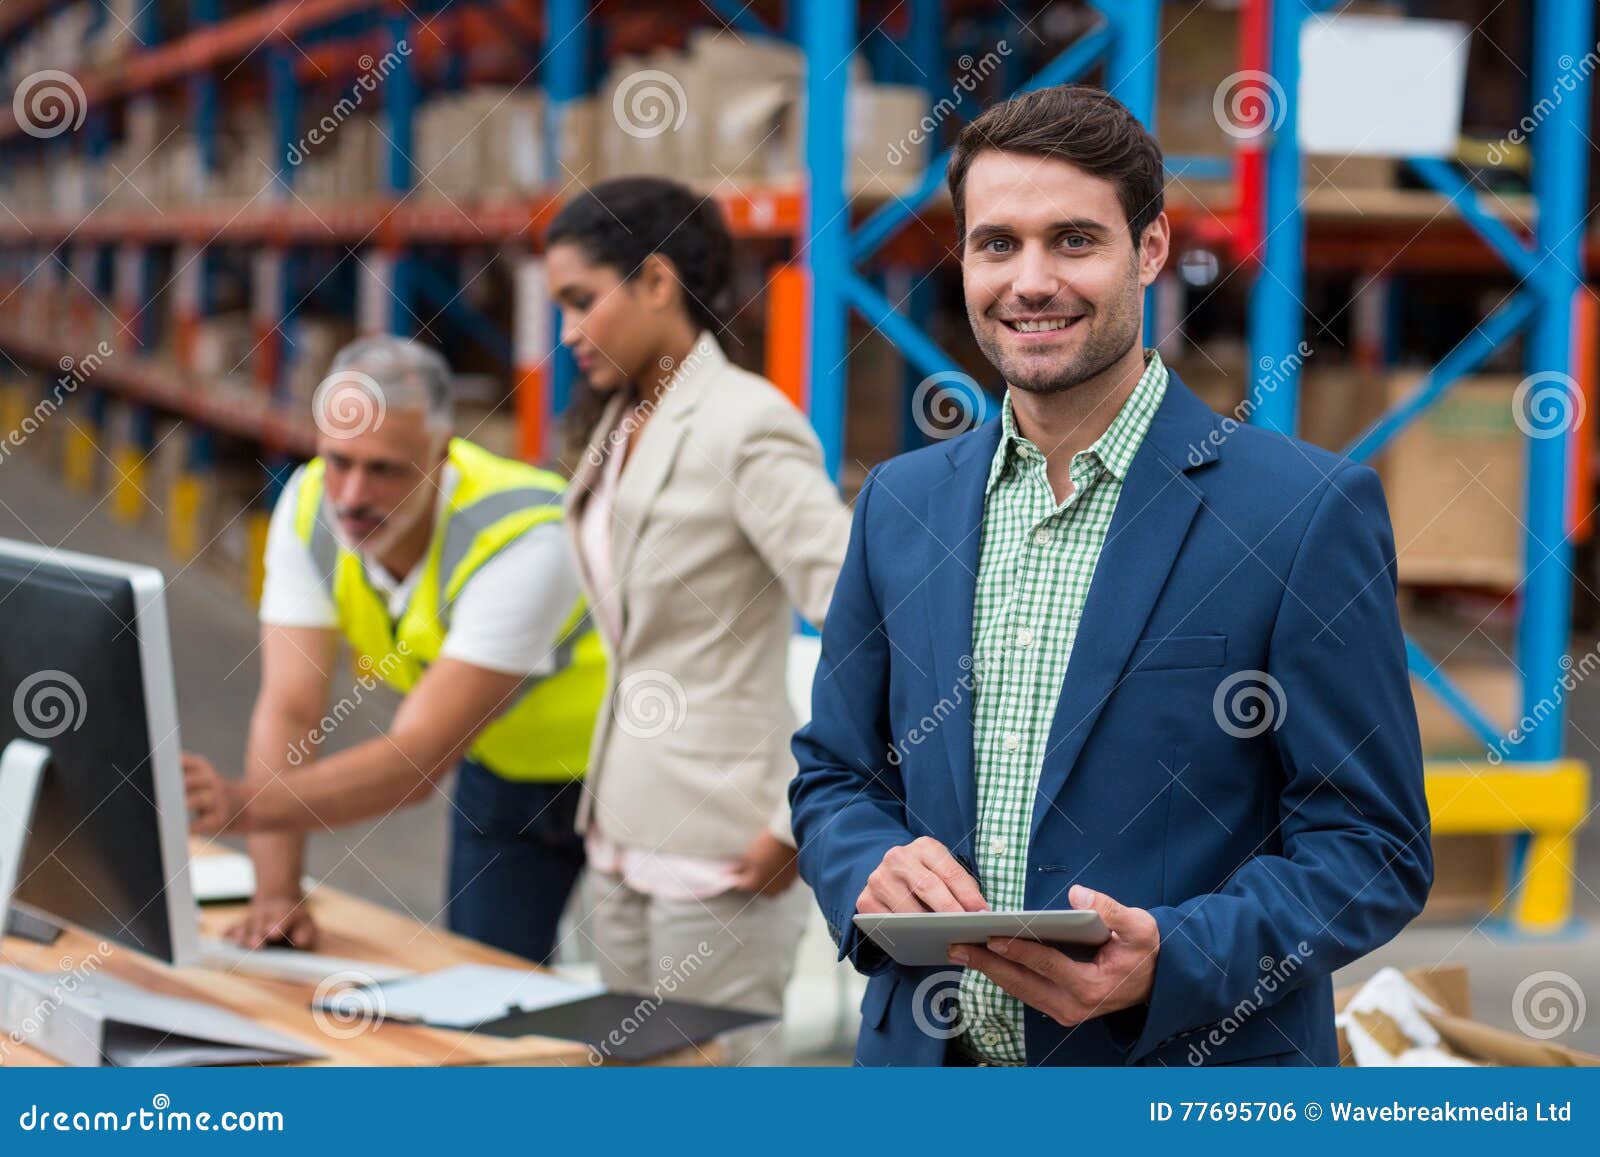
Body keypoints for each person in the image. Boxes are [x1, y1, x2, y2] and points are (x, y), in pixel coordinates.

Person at [788, 84, 1433, 1067]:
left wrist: (1173, 954)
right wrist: (868, 862)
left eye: (1074, 241)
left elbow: (1370, 844)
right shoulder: (901, 503)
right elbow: (833, 772)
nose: (1030, 280)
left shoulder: (1299, 511)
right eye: (997, 243)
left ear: (1152, 250)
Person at [545, 177, 852, 1064]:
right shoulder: (620, 421)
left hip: (723, 851)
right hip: (619, 833)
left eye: (578, 300)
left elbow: (870, 624)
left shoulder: (744, 423)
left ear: (654, 281)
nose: (566, 331)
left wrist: (799, 819)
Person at [183, 336, 604, 965]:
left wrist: (243, 806)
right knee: (493, 999)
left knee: (648, 1023)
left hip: (620, 779)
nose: (352, 496)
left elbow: (416, 762)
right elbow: (290, 708)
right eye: (339, 461)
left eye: (384, 469)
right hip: (505, 772)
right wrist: (275, 894)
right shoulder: (310, 505)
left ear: (442, 457)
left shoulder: (524, 535)